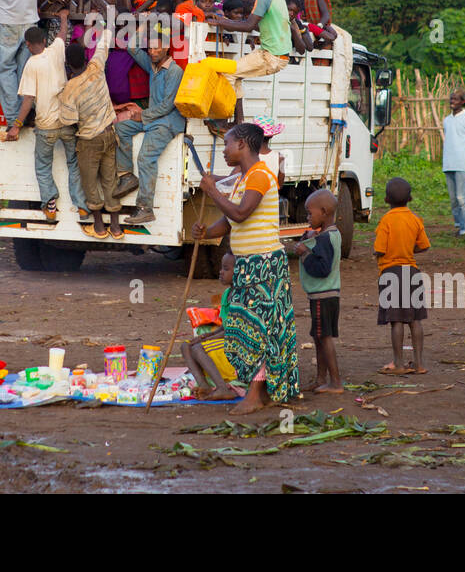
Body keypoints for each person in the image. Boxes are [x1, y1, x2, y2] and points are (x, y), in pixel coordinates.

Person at [190, 123, 300, 414]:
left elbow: (240, 213)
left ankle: (254, 395)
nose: (224, 150)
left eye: (226, 144)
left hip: (263, 265)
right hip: (249, 265)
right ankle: (259, 392)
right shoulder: (243, 177)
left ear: (242, 145)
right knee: (248, 329)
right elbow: (227, 223)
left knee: (258, 330)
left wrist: (213, 192)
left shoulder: (261, 175)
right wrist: (205, 232)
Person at [6, 9, 86, 221]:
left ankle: (50, 204)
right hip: (67, 122)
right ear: (44, 40)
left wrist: (16, 125)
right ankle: (81, 205)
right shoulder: (57, 50)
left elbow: (28, 101)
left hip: (47, 126)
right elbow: (61, 35)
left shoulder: (31, 64)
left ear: (28, 44)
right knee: (73, 163)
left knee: (42, 165)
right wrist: (63, 17)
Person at [114, 29, 186, 227]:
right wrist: (141, 26)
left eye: (156, 48)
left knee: (145, 158)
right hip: (154, 119)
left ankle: (145, 208)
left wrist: (143, 115)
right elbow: (131, 47)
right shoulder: (152, 66)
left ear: (166, 49)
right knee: (122, 128)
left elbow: (168, 105)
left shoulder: (174, 71)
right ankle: (127, 176)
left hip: (168, 122)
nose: (152, 52)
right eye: (150, 48)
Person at [208, 0, 294, 123]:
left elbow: (248, 25)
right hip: (278, 55)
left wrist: (221, 21)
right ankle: (238, 120)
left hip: (270, 55)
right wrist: (227, 22)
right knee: (236, 76)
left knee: (228, 73)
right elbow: (259, 26)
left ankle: (222, 120)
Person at [58, 25, 123, 239]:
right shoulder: (96, 68)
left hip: (89, 140)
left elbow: (69, 120)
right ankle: (115, 226)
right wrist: (107, 25)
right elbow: (103, 45)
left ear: (67, 65)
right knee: (110, 179)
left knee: (89, 182)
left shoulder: (69, 89)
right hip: (109, 134)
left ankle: (98, 226)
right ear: (85, 60)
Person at [285, 189, 343, 394]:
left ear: (324, 212)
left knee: (324, 337)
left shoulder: (325, 239)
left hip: (323, 295)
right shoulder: (329, 234)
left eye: (310, 213)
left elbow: (322, 269)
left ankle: (335, 382)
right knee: (319, 336)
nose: (308, 217)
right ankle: (321, 379)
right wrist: (308, 239)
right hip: (324, 295)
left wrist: (305, 253)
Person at [374, 177, 430, 375]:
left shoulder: (386, 220)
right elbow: (424, 245)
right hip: (412, 273)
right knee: (415, 319)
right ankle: (419, 363)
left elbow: (379, 249)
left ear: (386, 199)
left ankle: (398, 364)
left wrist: (382, 255)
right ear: (411, 198)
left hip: (391, 273)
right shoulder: (415, 219)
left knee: (396, 321)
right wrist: (408, 249)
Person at [183, 253, 239, 400]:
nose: (221, 272)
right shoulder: (227, 294)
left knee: (198, 348)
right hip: (225, 338)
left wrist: (207, 340)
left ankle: (222, 388)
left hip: (237, 345)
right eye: (221, 268)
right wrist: (204, 336)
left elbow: (232, 330)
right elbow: (224, 326)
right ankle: (204, 385)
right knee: (186, 346)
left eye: (226, 269)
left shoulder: (241, 297)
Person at [441, 89, 465, 237]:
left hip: (463, 162)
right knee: (454, 199)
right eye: (451, 98)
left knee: (463, 198)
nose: (452, 101)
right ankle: (460, 225)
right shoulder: (447, 120)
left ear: (463, 102)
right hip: (449, 162)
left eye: (456, 99)